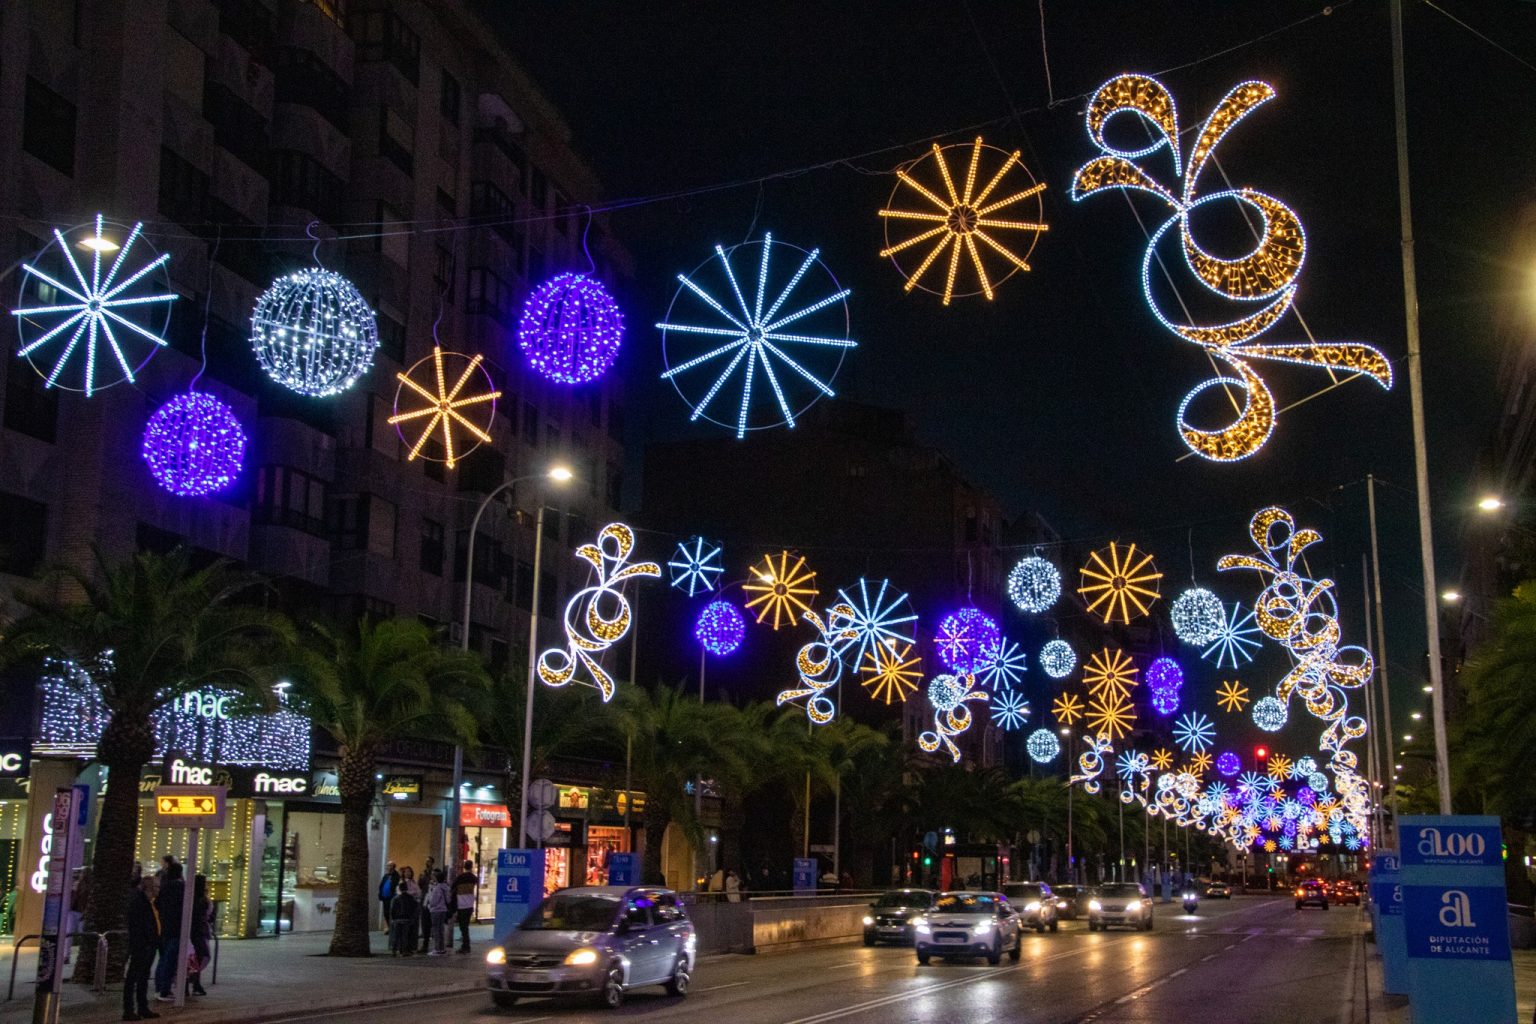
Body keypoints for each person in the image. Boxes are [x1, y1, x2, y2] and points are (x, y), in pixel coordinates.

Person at [123, 873, 161, 1022]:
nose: (159, 890)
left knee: (143, 977)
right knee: (133, 977)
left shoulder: (149, 902)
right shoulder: (139, 903)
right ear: (149, 888)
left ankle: (142, 1007)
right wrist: (144, 942)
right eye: (156, 887)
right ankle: (129, 1009)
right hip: (141, 945)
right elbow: (138, 926)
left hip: (148, 944)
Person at [153, 863, 183, 1002]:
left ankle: (160, 987)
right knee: (170, 960)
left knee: (163, 958)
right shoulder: (180, 887)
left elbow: (157, 903)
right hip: (176, 928)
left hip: (164, 927)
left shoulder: (165, 887)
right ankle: (165, 990)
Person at [186, 875, 210, 997]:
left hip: (193, 931)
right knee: (199, 957)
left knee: (191, 958)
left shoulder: (191, 898)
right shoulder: (201, 900)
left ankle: (189, 983)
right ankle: (194, 983)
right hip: (198, 932)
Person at [452, 860, 477, 954]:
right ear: (471, 867)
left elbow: (453, 887)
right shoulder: (474, 878)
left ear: (464, 867)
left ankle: (466, 946)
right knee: (465, 926)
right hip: (469, 904)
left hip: (462, 904)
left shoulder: (460, 878)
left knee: (463, 927)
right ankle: (466, 945)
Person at [388, 876, 417, 957]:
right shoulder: (410, 898)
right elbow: (414, 908)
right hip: (406, 919)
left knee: (396, 935)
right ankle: (403, 950)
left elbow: (393, 910)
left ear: (399, 889)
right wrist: (412, 918)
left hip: (397, 919)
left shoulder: (396, 899)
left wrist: (393, 918)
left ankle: (394, 950)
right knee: (405, 936)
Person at [424, 869, 450, 955]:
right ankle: (442, 948)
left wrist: (428, 905)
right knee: (441, 929)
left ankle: (437, 948)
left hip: (436, 910)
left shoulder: (437, 888)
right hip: (443, 909)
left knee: (436, 930)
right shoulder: (445, 887)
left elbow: (433, 901)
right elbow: (448, 899)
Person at [398, 866, 420, 953]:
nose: (408, 873)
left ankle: (410, 947)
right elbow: (400, 892)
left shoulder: (413, 882)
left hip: (413, 907)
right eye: (406, 872)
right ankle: (404, 947)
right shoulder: (402, 882)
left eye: (409, 872)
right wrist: (411, 894)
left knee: (412, 928)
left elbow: (418, 892)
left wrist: (413, 894)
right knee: (405, 929)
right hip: (405, 908)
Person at [417, 856, 435, 953]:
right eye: (426, 861)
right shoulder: (423, 874)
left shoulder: (434, 873)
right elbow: (420, 885)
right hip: (425, 900)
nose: (427, 863)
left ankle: (434, 944)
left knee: (433, 923)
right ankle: (425, 944)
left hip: (432, 901)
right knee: (425, 923)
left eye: (429, 861)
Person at [377, 862, 397, 934]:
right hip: (385, 898)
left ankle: (393, 929)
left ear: (393, 867)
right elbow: (381, 885)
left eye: (389, 866)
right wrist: (380, 894)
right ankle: (389, 927)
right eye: (388, 866)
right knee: (386, 913)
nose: (388, 867)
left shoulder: (396, 876)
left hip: (392, 898)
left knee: (391, 913)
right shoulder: (386, 876)